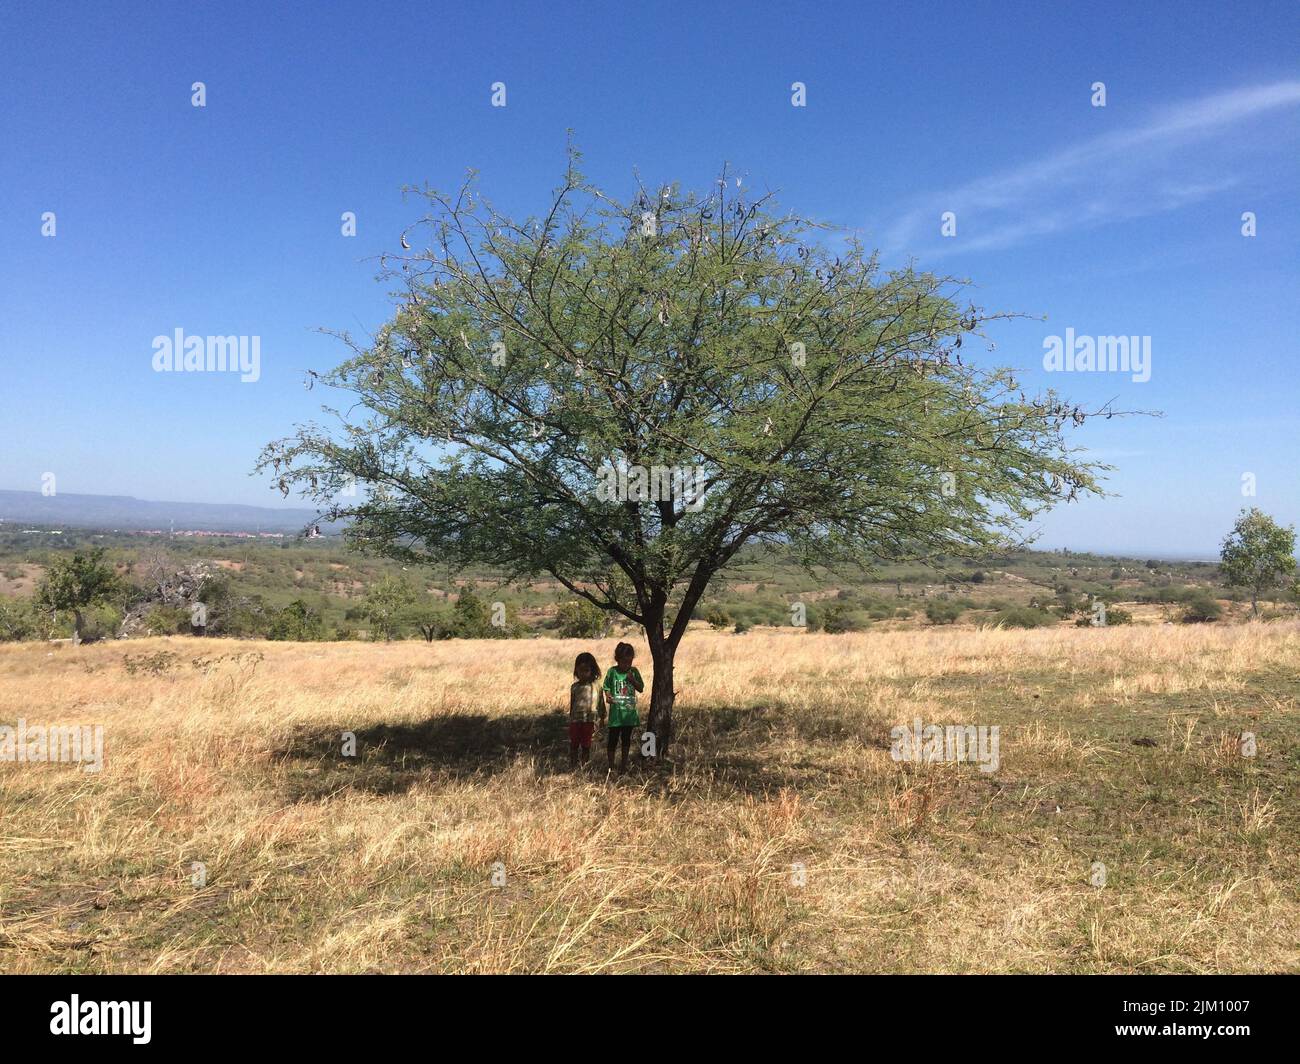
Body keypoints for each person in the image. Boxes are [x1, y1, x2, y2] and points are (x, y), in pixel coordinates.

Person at [602, 642, 644, 774]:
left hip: (629, 715)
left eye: (629, 662)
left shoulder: (634, 672)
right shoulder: (612, 671)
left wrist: (633, 680)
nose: (627, 665)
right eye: (624, 662)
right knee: (612, 740)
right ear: (617, 659)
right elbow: (606, 686)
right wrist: (608, 696)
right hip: (616, 715)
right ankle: (611, 766)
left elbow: (641, 688)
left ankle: (624, 765)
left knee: (626, 740)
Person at [569, 652, 601, 769]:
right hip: (575, 720)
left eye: (586, 670)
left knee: (586, 744)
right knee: (574, 743)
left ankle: (584, 765)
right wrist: (571, 718)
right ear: (576, 670)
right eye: (580, 670)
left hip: (589, 720)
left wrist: (601, 718)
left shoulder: (596, 686)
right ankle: (573, 764)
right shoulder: (574, 687)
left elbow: (600, 703)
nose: (583, 674)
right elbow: (572, 703)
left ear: (592, 671)